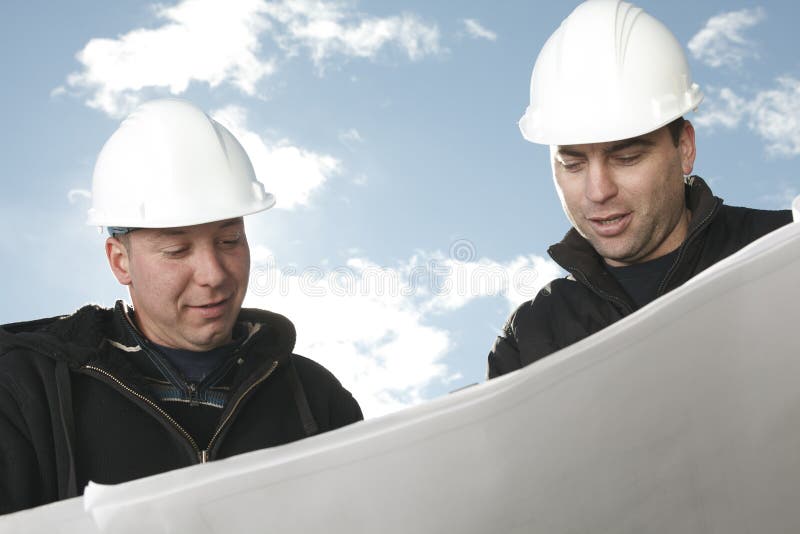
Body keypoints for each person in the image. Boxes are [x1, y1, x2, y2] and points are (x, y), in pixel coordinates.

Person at [0, 99, 363, 514]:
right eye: (176, 249)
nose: (213, 273)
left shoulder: (314, 395)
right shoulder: (24, 387)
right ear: (121, 261)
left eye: (229, 241)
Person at [487, 0, 793, 378]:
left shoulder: (784, 250)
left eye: (627, 157)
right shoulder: (533, 334)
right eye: (573, 164)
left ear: (684, 149)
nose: (597, 192)